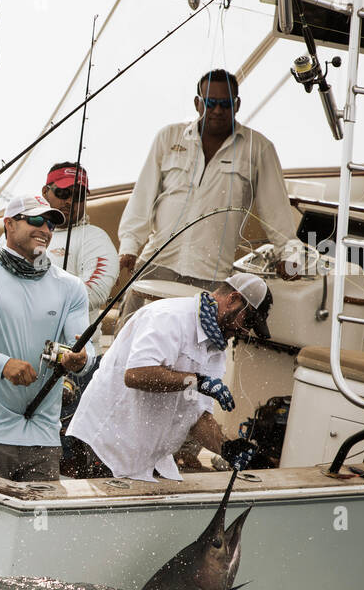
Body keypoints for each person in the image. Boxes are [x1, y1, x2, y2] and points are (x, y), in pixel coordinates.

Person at [113, 69, 303, 304]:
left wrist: (291, 254)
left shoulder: (260, 148)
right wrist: (129, 246)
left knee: (196, 341)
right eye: (211, 103)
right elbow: (142, 197)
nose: (218, 111)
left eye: (226, 104)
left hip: (211, 276)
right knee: (132, 334)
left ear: (238, 104)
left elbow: (277, 214)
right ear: (197, 103)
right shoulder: (168, 137)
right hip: (156, 264)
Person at [0, 195, 93, 482]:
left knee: (38, 527)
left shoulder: (71, 287)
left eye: (50, 224)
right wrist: (4, 364)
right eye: (35, 220)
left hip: (44, 439)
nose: (45, 229)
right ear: (8, 224)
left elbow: (85, 350)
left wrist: (81, 360)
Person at [65, 273, 272, 482]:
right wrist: (197, 381)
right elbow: (136, 374)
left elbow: (197, 415)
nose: (246, 330)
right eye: (248, 320)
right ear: (233, 299)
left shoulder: (217, 350)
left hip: (147, 459)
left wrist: (226, 448)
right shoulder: (169, 317)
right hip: (106, 446)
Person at [41, 162, 119, 318]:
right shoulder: (20, 229)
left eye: (78, 196)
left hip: (72, 341)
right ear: (45, 192)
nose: (70, 201)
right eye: (63, 192)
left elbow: (94, 293)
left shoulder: (96, 238)